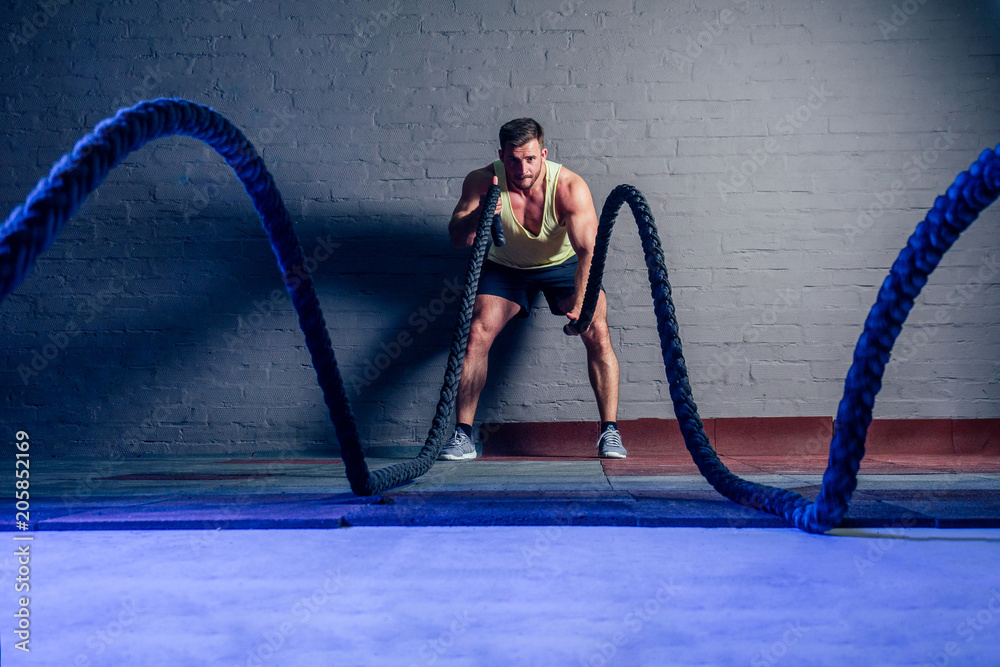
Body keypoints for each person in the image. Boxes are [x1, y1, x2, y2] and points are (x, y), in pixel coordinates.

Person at [439, 118, 625, 461]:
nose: (522, 168)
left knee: (597, 327)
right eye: (512, 159)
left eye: (530, 159)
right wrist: (478, 215)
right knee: (476, 333)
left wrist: (583, 306)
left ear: (543, 154)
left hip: (562, 266)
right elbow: (456, 238)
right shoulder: (482, 181)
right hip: (506, 267)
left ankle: (610, 432)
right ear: (501, 155)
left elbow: (589, 252)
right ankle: (463, 436)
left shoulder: (569, 187)